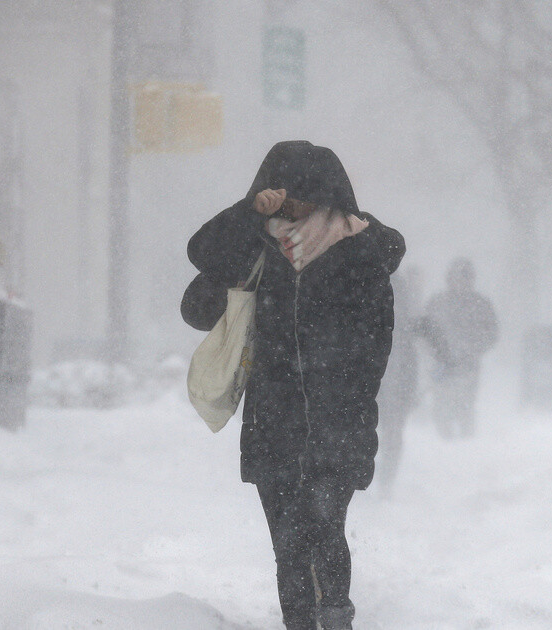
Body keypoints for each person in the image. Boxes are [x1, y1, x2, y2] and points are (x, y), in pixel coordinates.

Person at [183, 140, 404, 630]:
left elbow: (376, 344)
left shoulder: (361, 249)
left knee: (325, 524)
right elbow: (199, 275)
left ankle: (336, 614)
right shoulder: (258, 243)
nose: (283, 201)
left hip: (339, 418)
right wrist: (246, 213)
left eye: (291, 191)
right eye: (273, 189)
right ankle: (300, 622)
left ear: (323, 191)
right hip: (273, 419)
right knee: (287, 540)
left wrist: (343, 388)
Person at [375, 266, 448, 497]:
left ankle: (381, 482)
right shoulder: (398, 308)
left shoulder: (400, 315)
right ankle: (379, 481)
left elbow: (423, 327)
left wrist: (443, 355)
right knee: (390, 431)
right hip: (386, 378)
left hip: (391, 378)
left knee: (389, 430)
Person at [424, 257, 498, 439]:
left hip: (468, 366)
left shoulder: (481, 304)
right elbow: (424, 332)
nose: (461, 282)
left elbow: (492, 334)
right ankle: (445, 444)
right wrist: (436, 352)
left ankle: (466, 446)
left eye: (465, 278)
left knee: (465, 406)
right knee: (442, 407)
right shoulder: (437, 302)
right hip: (442, 365)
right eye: (456, 277)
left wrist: (473, 349)